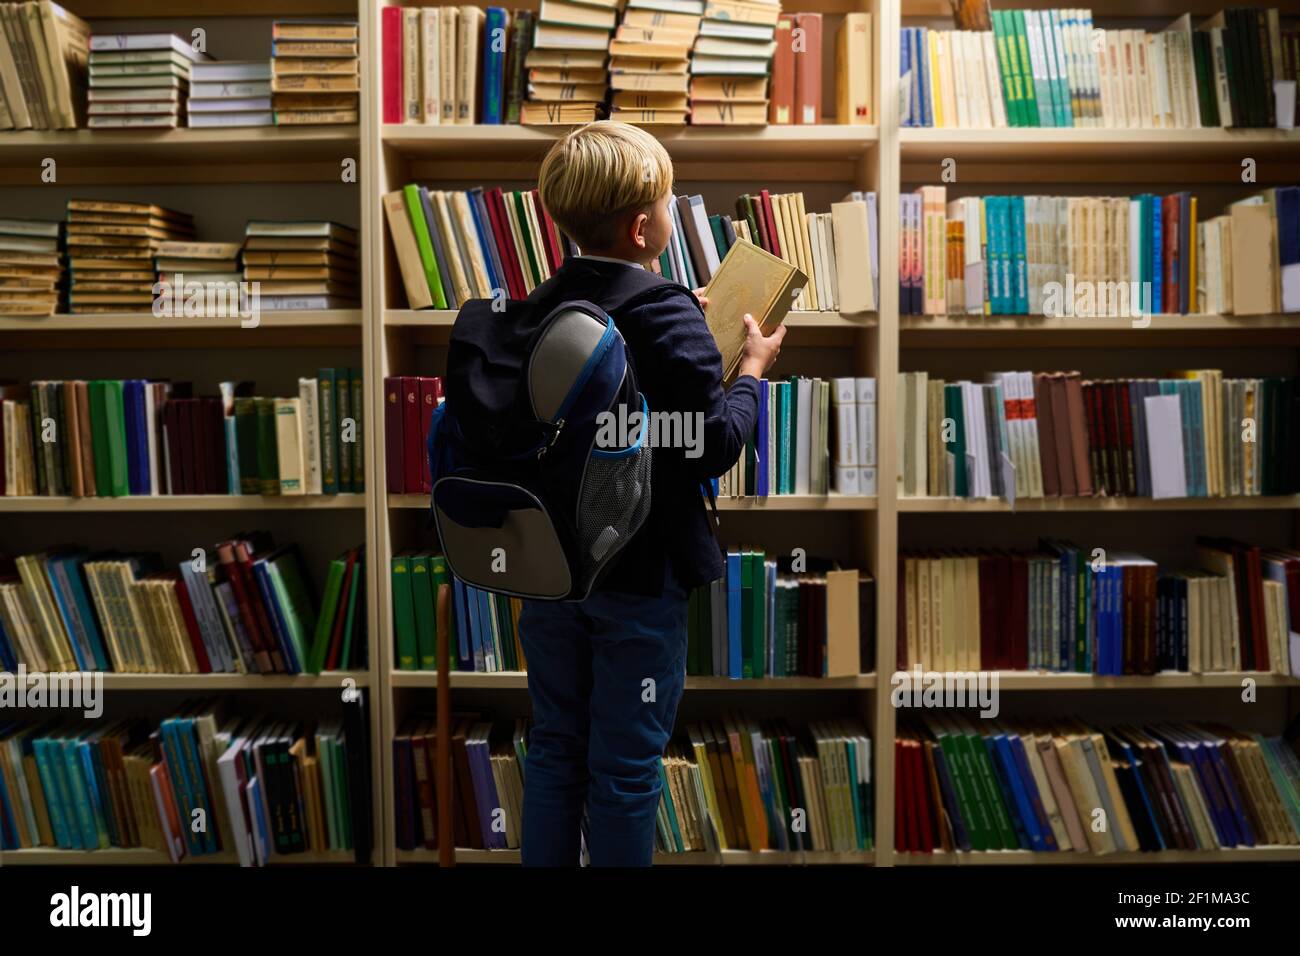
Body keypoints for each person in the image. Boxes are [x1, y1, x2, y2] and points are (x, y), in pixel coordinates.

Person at [517, 121, 785, 866]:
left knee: (555, 753)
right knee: (626, 773)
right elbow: (711, 446)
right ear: (645, 226)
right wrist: (752, 370)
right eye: (670, 200)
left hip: (549, 576)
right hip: (637, 577)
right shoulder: (665, 311)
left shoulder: (540, 305)